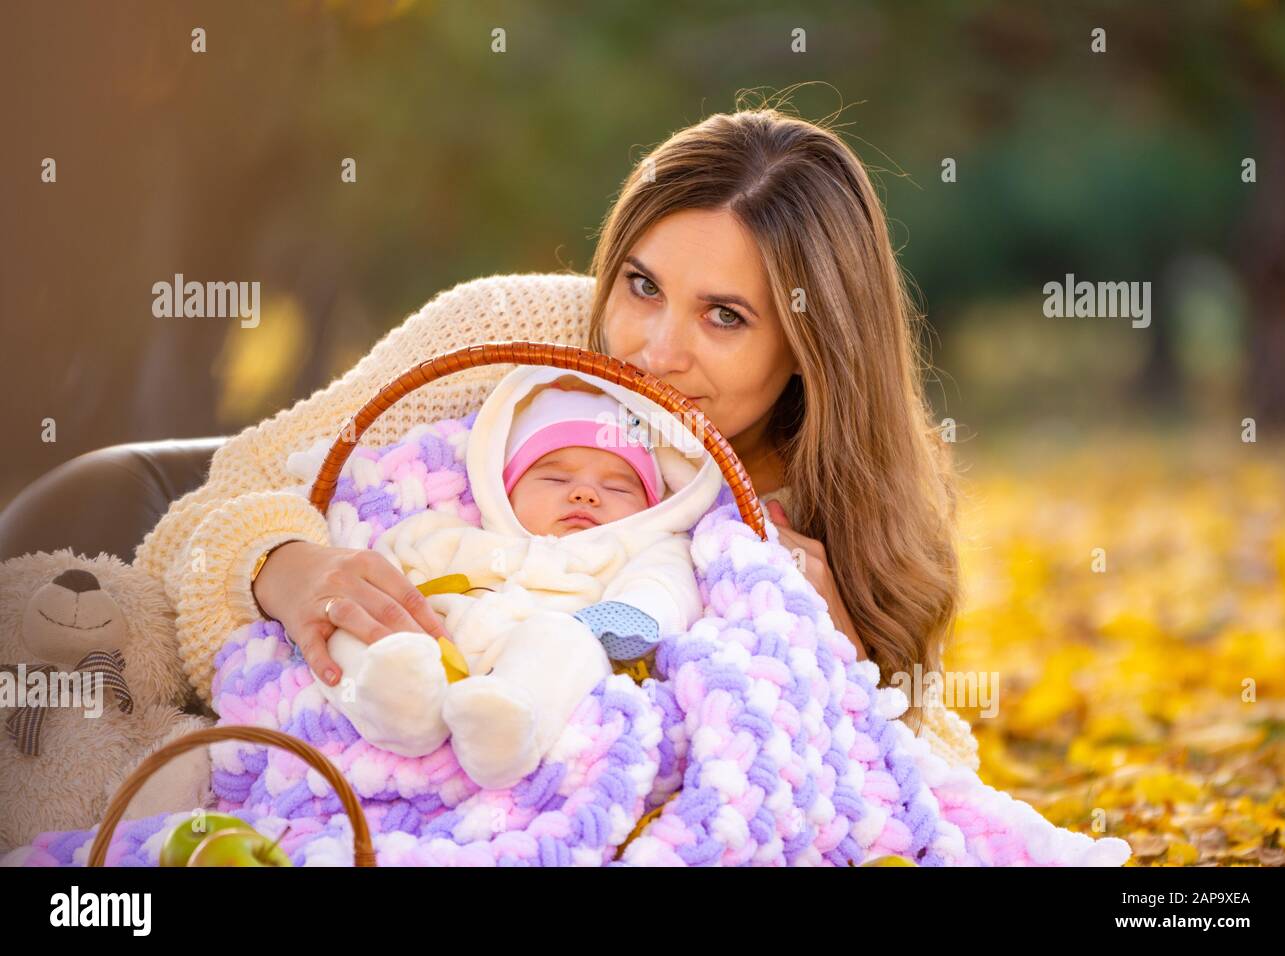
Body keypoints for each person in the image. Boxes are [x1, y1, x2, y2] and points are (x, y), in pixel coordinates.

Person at [135, 104, 979, 771]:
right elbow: (223, 494)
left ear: (811, 346)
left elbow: (934, 771)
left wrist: (839, 674)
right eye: (642, 286)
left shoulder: (834, 502)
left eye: (725, 316)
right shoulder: (508, 337)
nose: (653, 352)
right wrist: (286, 565)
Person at [307, 368, 720, 789]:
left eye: (618, 487)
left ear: (649, 507)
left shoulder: (636, 548)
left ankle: (507, 733)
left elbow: (666, 584)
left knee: (569, 644)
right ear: (506, 489)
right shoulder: (453, 537)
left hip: (545, 661)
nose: (585, 494)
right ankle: (393, 707)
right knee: (355, 621)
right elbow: (386, 570)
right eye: (556, 478)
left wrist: (629, 616)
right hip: (432, 657)